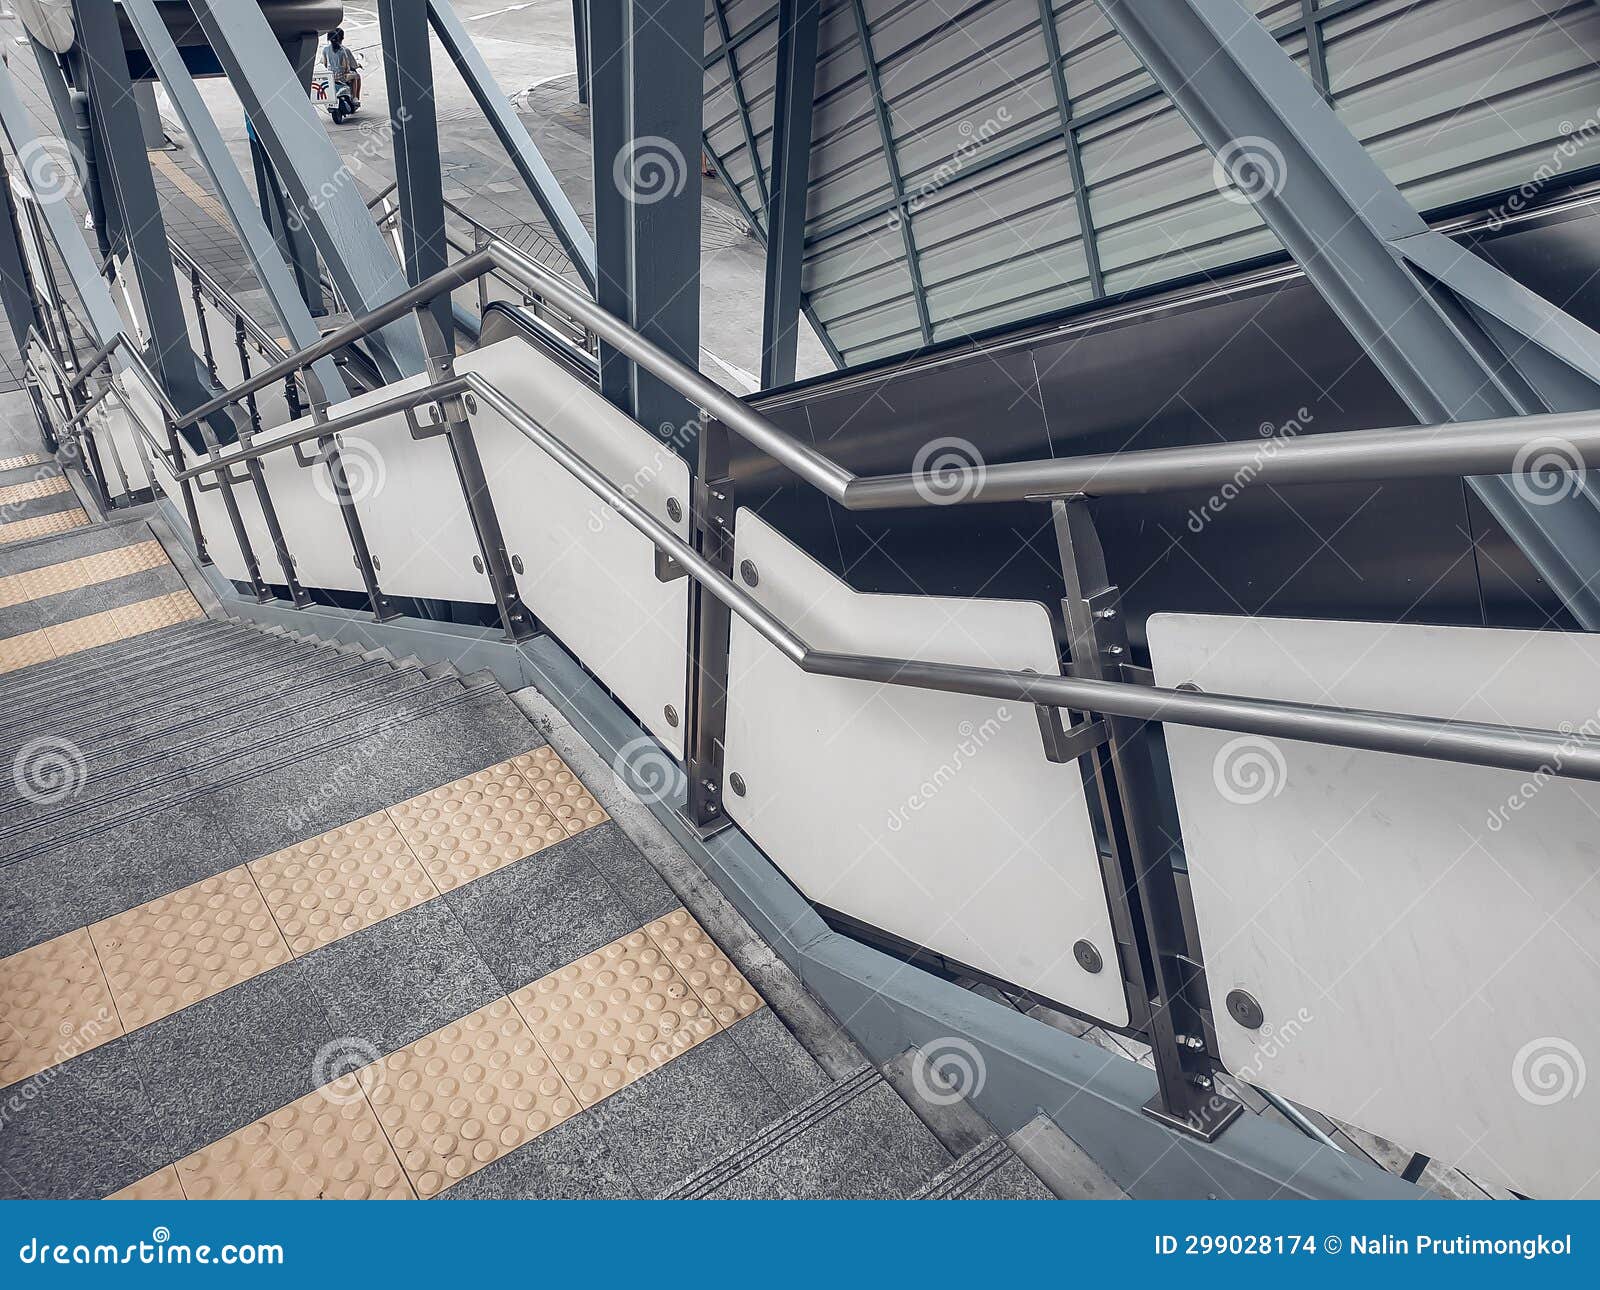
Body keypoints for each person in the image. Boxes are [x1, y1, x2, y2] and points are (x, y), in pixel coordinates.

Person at [323, 28, 360, 105]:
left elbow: (325, 64)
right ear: (341, 38)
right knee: (356, 76)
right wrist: (350, 70)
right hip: (342, 77)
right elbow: (346, 66)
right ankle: (355, 98)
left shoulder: (325, 49)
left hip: (331, 76)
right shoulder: (343, 50)